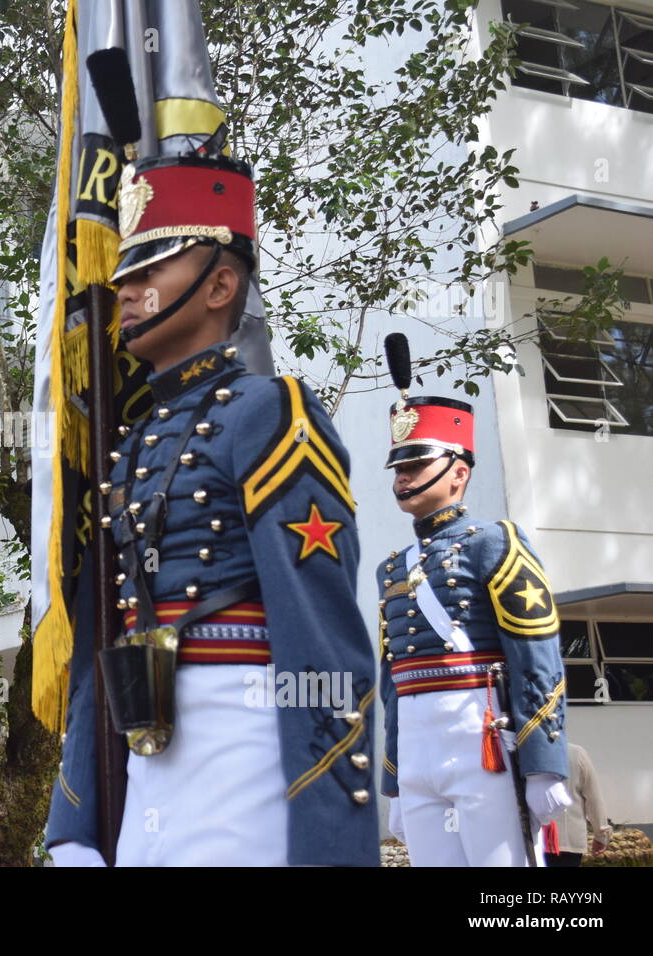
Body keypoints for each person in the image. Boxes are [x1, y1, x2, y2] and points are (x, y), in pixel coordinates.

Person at [46, 150, 378, 866]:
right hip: (146, 757)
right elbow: (100, 644)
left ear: (220, 283)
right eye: (123, 271)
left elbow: (322, 645)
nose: (123, 288)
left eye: (148, 270)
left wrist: (328, 834)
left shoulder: (270, 413)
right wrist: (74, 821)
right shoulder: (131, 446)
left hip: (248, 752)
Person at [377, 333, 571, 866]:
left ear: (459, 471)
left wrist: (544, 762)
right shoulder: (391, 568)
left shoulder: (495, 541)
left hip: (481, 735)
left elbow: (537, 656)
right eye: (398, 467)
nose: (403, 477)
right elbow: (391, 677)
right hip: (418, 746)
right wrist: (393, 772)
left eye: (415, 464)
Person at [546, 742, 611, 866]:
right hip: (568, 841)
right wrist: (601, 834)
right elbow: (593, 797)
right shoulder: (575, 753)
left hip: (530, 841)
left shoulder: (519, 750)